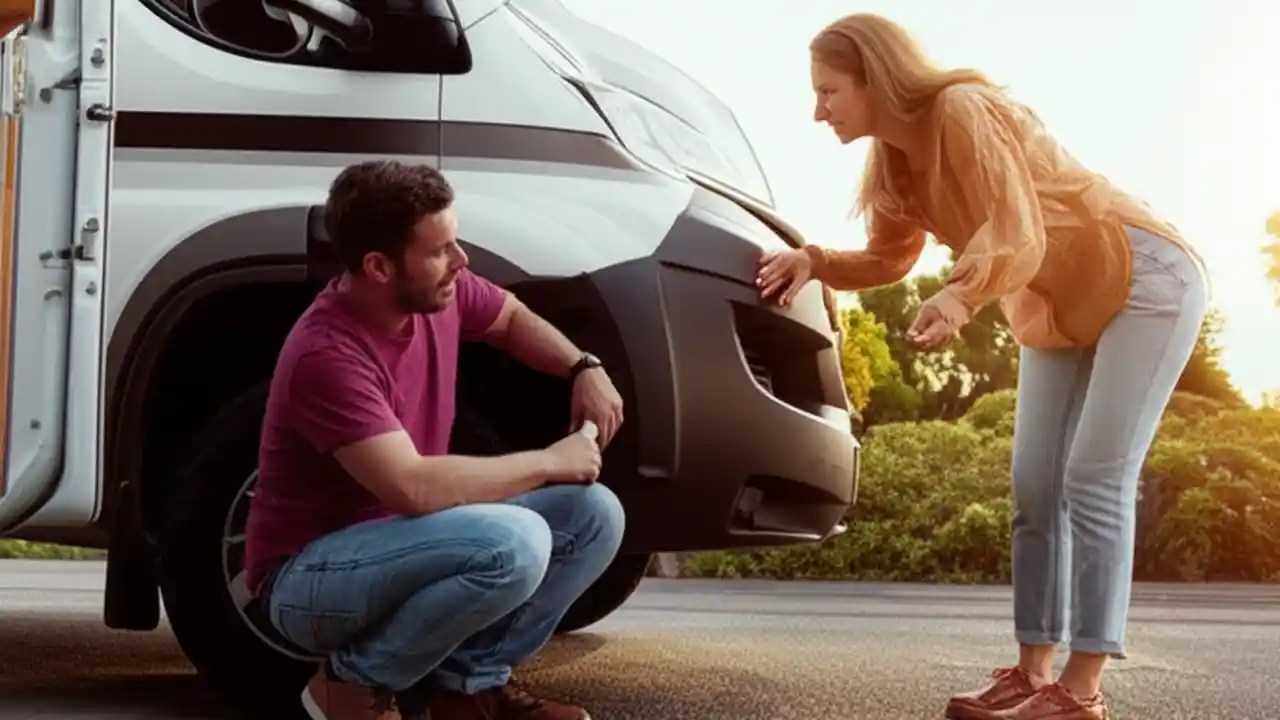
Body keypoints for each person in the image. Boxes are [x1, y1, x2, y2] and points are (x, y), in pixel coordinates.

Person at [758, 13, 1208, 720]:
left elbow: (1015, 225)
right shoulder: (895, 165)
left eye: (829, 92)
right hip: (1057, 304)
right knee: (1034, 485)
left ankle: (1081, 692)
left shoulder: (962, 111)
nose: (817, 111)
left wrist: (962, 297)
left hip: (1143, 275)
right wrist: (814, 260)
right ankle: (1033, 675)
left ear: (874, 77)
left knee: (1093, 477)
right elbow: (890, 258)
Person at [241, 160, 627, 720]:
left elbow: (511, 318)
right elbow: (414, 489)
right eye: (441, 250)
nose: (462, 261)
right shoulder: (327, 354)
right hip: (307, 580)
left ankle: (466, 691)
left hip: (404, 542)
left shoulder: (438, 294)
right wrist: (549, 461)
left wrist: (582, 367)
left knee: (593, 514)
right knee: (512, 544)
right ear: (378, 266)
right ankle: (350, 686)